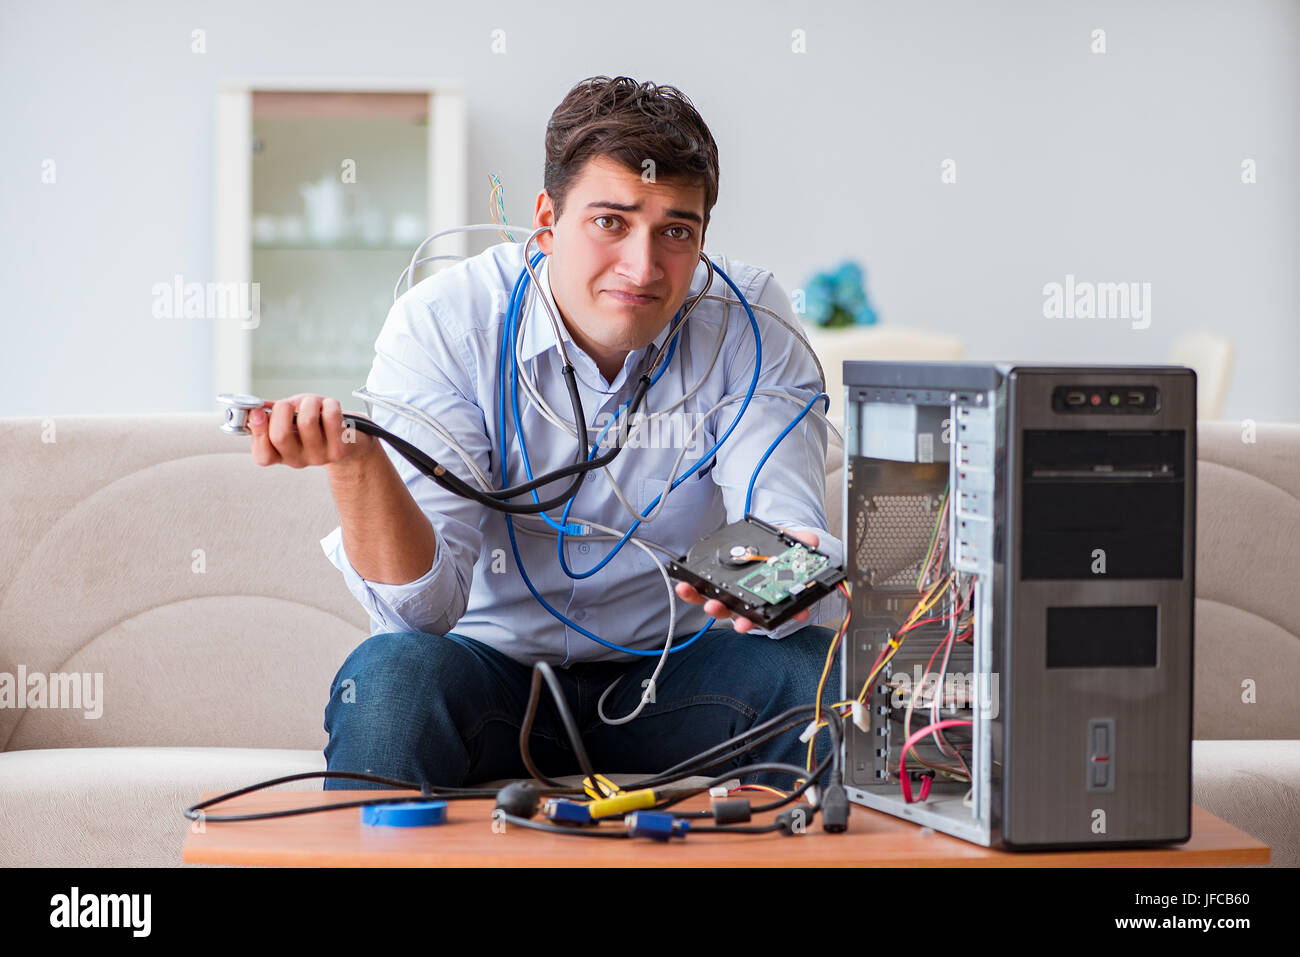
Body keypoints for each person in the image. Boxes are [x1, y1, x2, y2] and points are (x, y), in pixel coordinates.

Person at [246, 76, 845, 791]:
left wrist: (787, 578)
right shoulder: (447, 321)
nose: (643, 267)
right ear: (546, 220)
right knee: (389, 678)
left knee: (813, 671)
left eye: (675, 232)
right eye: (611, 222)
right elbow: (421, 611)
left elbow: (780, 533)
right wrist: (356, 467)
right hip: (494, 676)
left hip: (676, 677)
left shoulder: (751, 320)